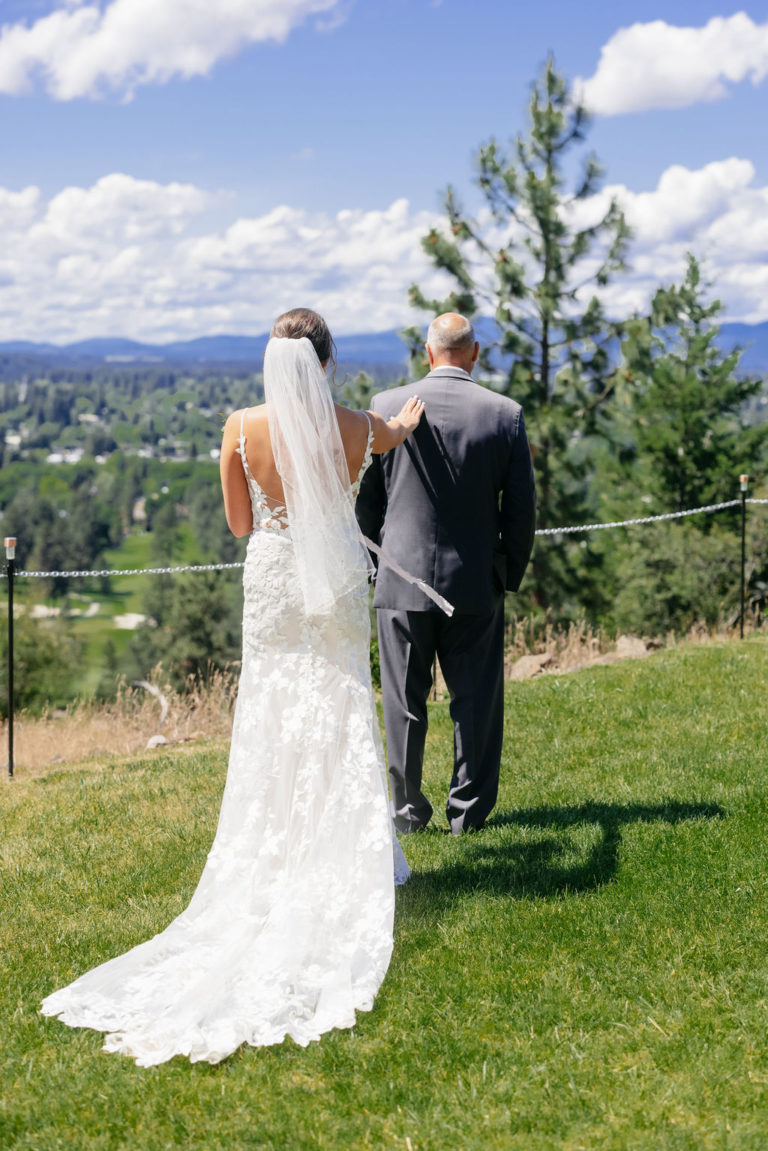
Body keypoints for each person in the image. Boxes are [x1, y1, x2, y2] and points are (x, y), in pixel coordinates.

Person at [41, 308, 424, 1065]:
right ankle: (351, 849)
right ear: (325, 360)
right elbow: (390, 439)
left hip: (276, 580)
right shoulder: (356, 424)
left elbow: (241, 523)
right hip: (341, 578)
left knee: (275, 706)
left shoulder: (239, 426)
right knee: (341, 699)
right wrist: (403, 422)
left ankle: (276, 848)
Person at [356, 312, 536, 835]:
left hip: (400, 578)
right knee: (475, 703)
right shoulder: (505, 414)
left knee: (403, 706)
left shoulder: (386, 407)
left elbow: (367, 502)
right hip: (476, 581)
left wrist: (377, 566)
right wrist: (506, 572)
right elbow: (521, 511)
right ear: (474, 353)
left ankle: (407, 815)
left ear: (428, 352)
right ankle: (469, 814)